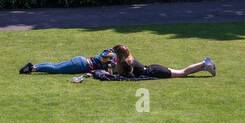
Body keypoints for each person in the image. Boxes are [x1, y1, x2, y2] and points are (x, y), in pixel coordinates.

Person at [82, 44, 216, 81]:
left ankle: (205, 64)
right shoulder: (128, 58)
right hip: (153, 68)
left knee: (183, 73)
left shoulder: (126, 63)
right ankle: (204, 64)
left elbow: (121, 76)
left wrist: (98, 73)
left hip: (155, 71)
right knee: (182, 71)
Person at [21, 47, 117, 75]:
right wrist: (110, 62)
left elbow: (109, 73)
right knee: (56, 69)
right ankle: (32, 68)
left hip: (81, 61)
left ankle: (33, 66)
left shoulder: (110, 57)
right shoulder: (110, 54)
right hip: (81, 64)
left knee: (56, 66)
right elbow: (104, 57)